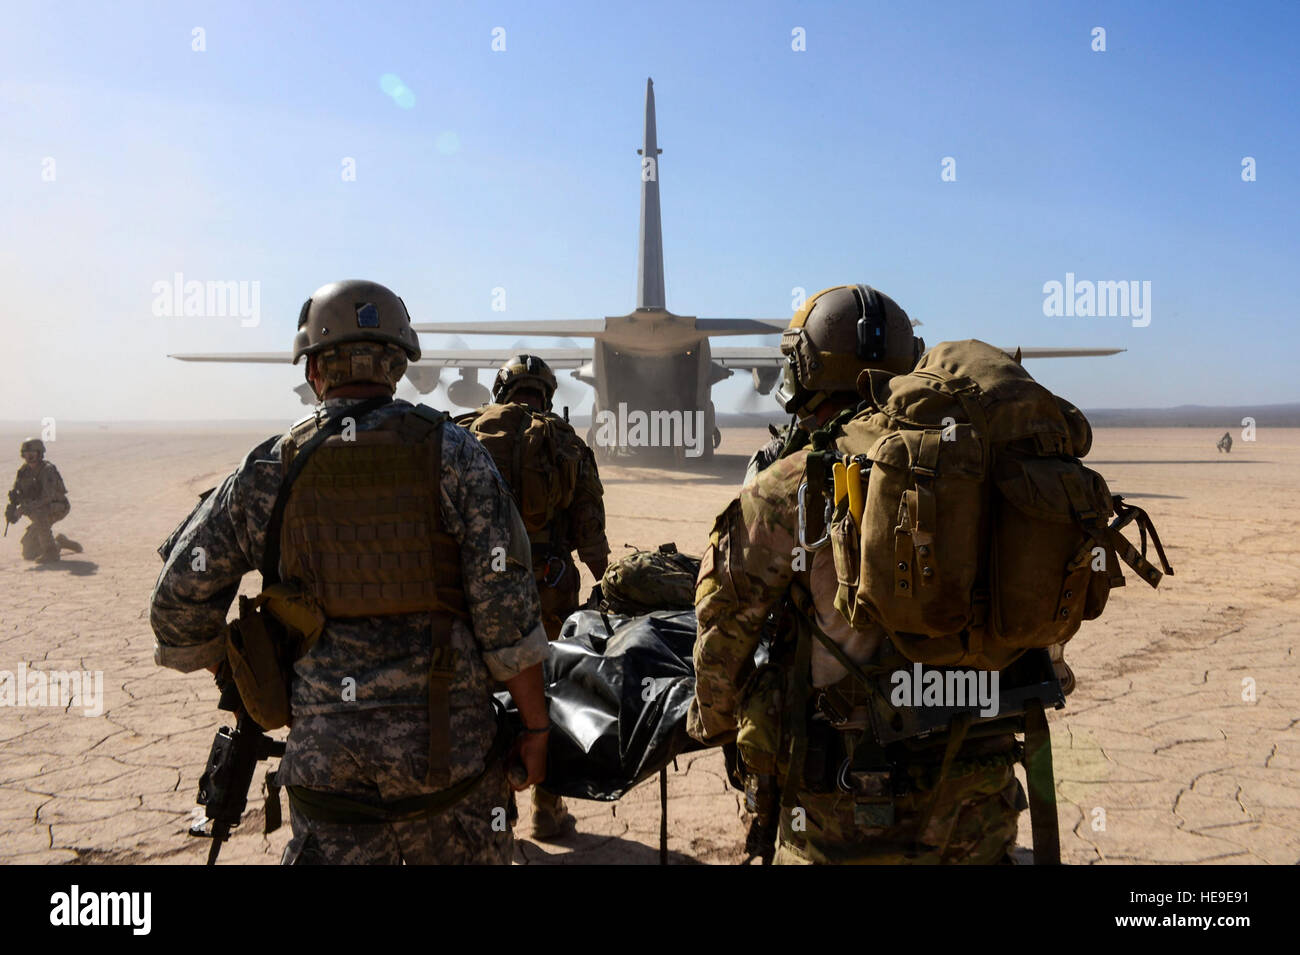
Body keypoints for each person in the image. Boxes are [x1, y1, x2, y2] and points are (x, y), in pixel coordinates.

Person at [150, 279, 551, 864]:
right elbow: (507, 616)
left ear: (314, 370)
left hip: (327, 769)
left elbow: (177, 606)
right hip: (451, 769)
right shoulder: (459, 455)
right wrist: (536, 730)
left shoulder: (269, 469)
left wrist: (241, 680)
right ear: (398, 365)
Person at [689, 283, 1031, 864]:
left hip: (846, 797)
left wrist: (719, 725)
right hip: (978, 786)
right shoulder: (984, 471)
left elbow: (722, 634)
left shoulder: (793, 485)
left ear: (804, 368)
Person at [456, 354, 611, 839]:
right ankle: (549, 805)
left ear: (502, 389)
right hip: (548, 588)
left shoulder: (462, 435)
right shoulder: (566, 442)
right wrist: (604, 583)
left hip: (474, 592)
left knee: (481, 695)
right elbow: (591, 532)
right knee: (547, 694)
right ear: (547, 393)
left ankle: (495, 812)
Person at [7, 438, 82, 563]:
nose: (29, 457)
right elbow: (17, 492)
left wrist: (25, 508)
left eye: (32, 453)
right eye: (26, 454)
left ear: (39, 453)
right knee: (29, 553)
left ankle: (51, 552)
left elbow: (47, 498)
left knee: (39, 513)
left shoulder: (47, 470)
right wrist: (12, 510)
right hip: (37, 509)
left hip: (57, 507)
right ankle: (59, 542)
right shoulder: (23, 471)